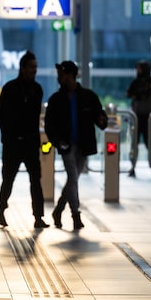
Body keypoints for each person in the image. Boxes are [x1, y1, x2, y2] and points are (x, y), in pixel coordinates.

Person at [44, 60, 108, 231]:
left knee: (73, 180)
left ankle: (58, 210)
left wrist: (103, 120)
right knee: (73, 177)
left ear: (70, 75)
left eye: (61, 75)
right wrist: (57, 142)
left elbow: (99, 116)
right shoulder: (56, 100)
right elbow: (49, 125)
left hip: (83, 146)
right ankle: (75, 215)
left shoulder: (88, 96)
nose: (59, 78)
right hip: (67, 147)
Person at [0, 51, 48, 228]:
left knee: (36, 180)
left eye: (36, 67)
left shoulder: (37, 89)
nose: (34, 70)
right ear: (22, 68)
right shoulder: (10, 88)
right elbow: (1, 114)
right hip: (13, 143)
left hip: (30, 142)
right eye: (31, 67)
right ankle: (1, 207)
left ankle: (38, 216)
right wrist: (8, 137)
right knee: (8, 179)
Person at [125, 61, 151, 177]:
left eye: (140, 69)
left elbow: (144, 93)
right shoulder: (136, 81)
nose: (138, 71)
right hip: (136, 116)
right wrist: (137, 94)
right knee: (134, 143)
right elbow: (129, 93)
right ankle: (132, 166)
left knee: (150, 143)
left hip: (147, 116)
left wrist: (137, 94)